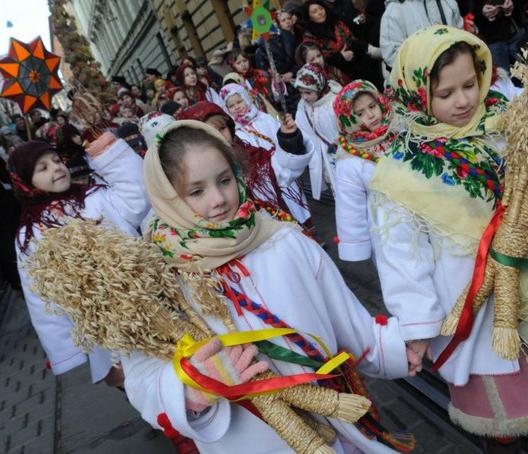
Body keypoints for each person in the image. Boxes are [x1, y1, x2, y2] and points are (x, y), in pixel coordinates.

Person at [369, 25, 528, 452]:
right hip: (470, 307)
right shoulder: (398, 173)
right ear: (415, 94)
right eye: (445, 93)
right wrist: (418, 327)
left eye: (470, 84)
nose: (463, 101)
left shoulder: (510, 124)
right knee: (504, 410)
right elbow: (402, 257)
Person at [123, 119, 413, 453]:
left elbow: (345, 317)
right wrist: (190, 388)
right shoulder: (156, 279)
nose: (218, 199)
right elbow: (141, 374)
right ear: (168, 197)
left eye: (225, 180)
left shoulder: (283, 239)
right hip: (252, 440)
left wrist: (396, 351)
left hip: (338, 420)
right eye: (196, 191)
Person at [9, 136, 149, 386]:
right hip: (106, 333)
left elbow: (137, 196)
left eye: (56, 161)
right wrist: (65, 350)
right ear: (26, 182)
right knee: (142, 389)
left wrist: (107, 151)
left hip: (147, 302)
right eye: (43, 168)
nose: (56, 168)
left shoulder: (96, 197)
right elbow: (41, 295)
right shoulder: (30, 236)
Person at [178, 101, 314, 228]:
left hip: (273, 227)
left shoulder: (249, 155)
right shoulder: (194, 173)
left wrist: (289, 139)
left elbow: (281, 169)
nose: (219, 136)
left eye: (222, 128)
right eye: (209, 133)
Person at [220, 84, 311, 225]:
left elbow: (279, 137)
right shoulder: (235, 132)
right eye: (231, 106)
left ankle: (307, 227)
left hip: (280, 164)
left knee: (295, 200)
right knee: (277, 206)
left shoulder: (264, 118)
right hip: (263, 175)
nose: (237, 107)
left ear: (246, 98)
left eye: (239, 101)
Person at [332, 79, 397, 262]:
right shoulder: (349, 158)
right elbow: (350, 206)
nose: (371, 115)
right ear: (347, 118)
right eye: (360, 113)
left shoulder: (397, 131)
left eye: (372, 106)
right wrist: (355, 243)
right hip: (387, 228)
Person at [301, 0, 384, 89]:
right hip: (336, 76)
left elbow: (352, 40)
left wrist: (368, 49)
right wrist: (340, 57)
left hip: (357, 64)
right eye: (314, 12)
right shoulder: (310, 37)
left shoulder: (337, 23)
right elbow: (316, 61)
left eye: (321, 9)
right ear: (309, 17)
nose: (320, 13)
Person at [294, 63, 342, 201]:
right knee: (338, 194)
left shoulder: (334, 102)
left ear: (320, 88)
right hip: (325, 160)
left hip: (343, 153)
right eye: (301, 92)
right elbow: (302, 131)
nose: (304, 97)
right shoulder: (303, 107)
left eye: (308, 92)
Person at [380, 0, 463, 72]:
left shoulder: (447, 3)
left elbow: (460, 35)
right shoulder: (394, 11)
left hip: (454, 74)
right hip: (418, 83)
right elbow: (392, 56)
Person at [475, 0, 527, 71]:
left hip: (516, 29)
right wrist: (480, 10)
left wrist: (514, 3)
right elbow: (464, 7)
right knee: (504, 78)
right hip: (491, 37)